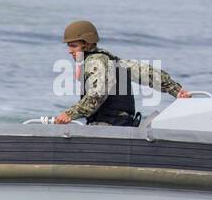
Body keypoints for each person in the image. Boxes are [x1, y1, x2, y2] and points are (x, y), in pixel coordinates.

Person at [54, 20, 192, 126]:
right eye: (68, 46)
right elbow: (148, 73)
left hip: (107, 126)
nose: (69, 50)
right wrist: (176, 90)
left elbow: (96, 95)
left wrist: (69, 114)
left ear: (87, 44)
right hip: (124, 124)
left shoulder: (95, 62)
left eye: (73, 46)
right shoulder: (114, 61)